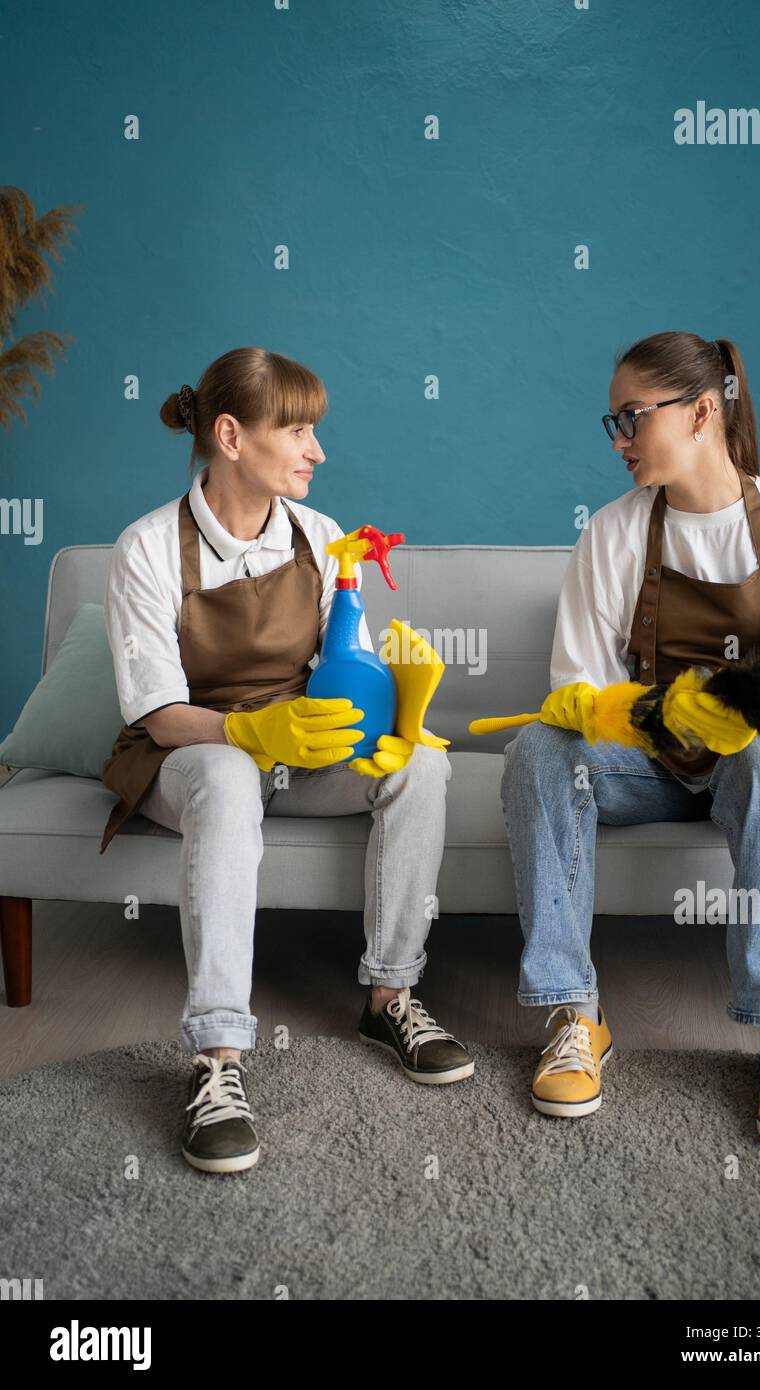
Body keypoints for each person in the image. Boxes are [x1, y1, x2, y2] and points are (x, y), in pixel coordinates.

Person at [100, 347, 473, 1175]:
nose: (317, 452)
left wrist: (397, 713)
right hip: (190, 752)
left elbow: (349, 672)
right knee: (230, 776)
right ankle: (218, 1059)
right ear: (231, 436)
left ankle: (391, 995)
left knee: (422, 769)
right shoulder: (149, 547)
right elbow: (157, 714)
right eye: (298, 431)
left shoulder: (321, 536)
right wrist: (252, 734)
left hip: (301, 749)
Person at [499, 331, 760, 1149]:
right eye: (614, 422)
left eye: (632, 418)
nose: (620, 440)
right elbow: (575, 696)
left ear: (703, 412)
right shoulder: (616, 534)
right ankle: (572, 1015)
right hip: (655, 766)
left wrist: (732, 709)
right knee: (536, 749)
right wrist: (656, 716)